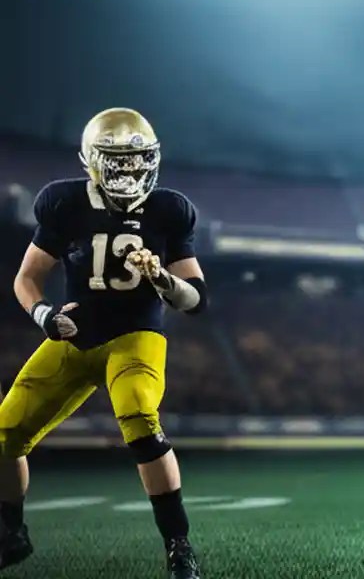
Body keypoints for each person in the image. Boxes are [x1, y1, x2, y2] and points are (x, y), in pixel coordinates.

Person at [0, 108, 208, 579]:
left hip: (136, 336)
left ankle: (179, 547)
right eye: (118, 162)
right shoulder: (63, 203)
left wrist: (162, 279)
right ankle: (11, 531)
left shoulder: (169, 209)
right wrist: (44, 316)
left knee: (137, 412)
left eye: (138, 161)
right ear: (92, 161)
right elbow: (27, 278)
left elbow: (196, 299)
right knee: (5, 433)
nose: (130, 171)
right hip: (75, 338)